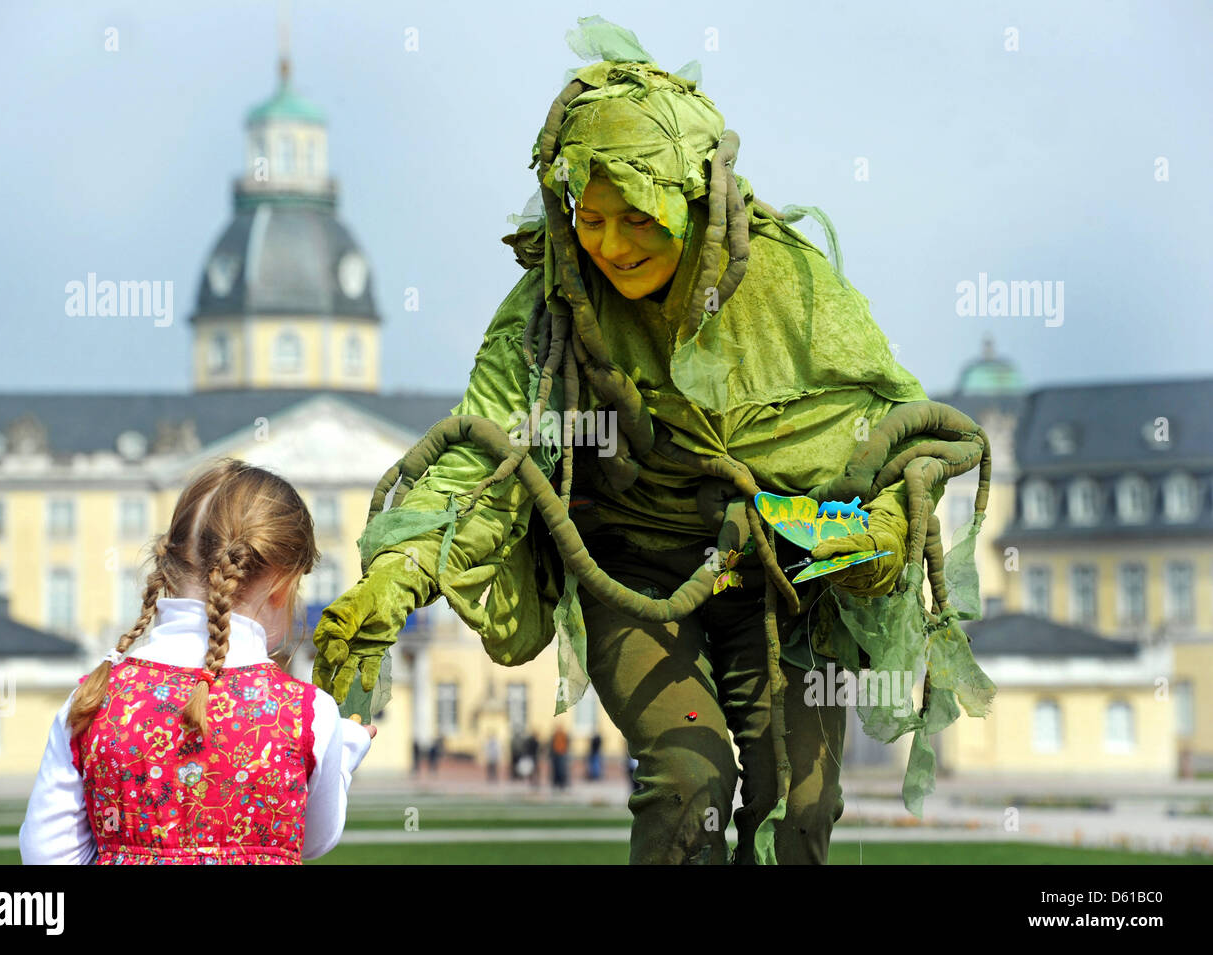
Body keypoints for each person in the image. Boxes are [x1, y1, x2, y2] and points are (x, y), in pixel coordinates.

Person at [312, 17, 992, 864]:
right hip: (632, 573)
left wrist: (884, 533)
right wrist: (400, 568)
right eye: (589, 218)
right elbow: (485, 456)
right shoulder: (550, 307)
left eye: (638, 217)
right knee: (687, 779)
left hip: (783, 578)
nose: (610, 244)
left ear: (697, 200)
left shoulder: (795, 292)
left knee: (803, 803)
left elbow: (889, 425)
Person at [19, 459, 375, 864]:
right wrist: (342, 754)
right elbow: (309, 840)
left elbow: (44, 854)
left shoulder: (94, 698)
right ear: (281, 584)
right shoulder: (309, 713)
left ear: (168, 565)